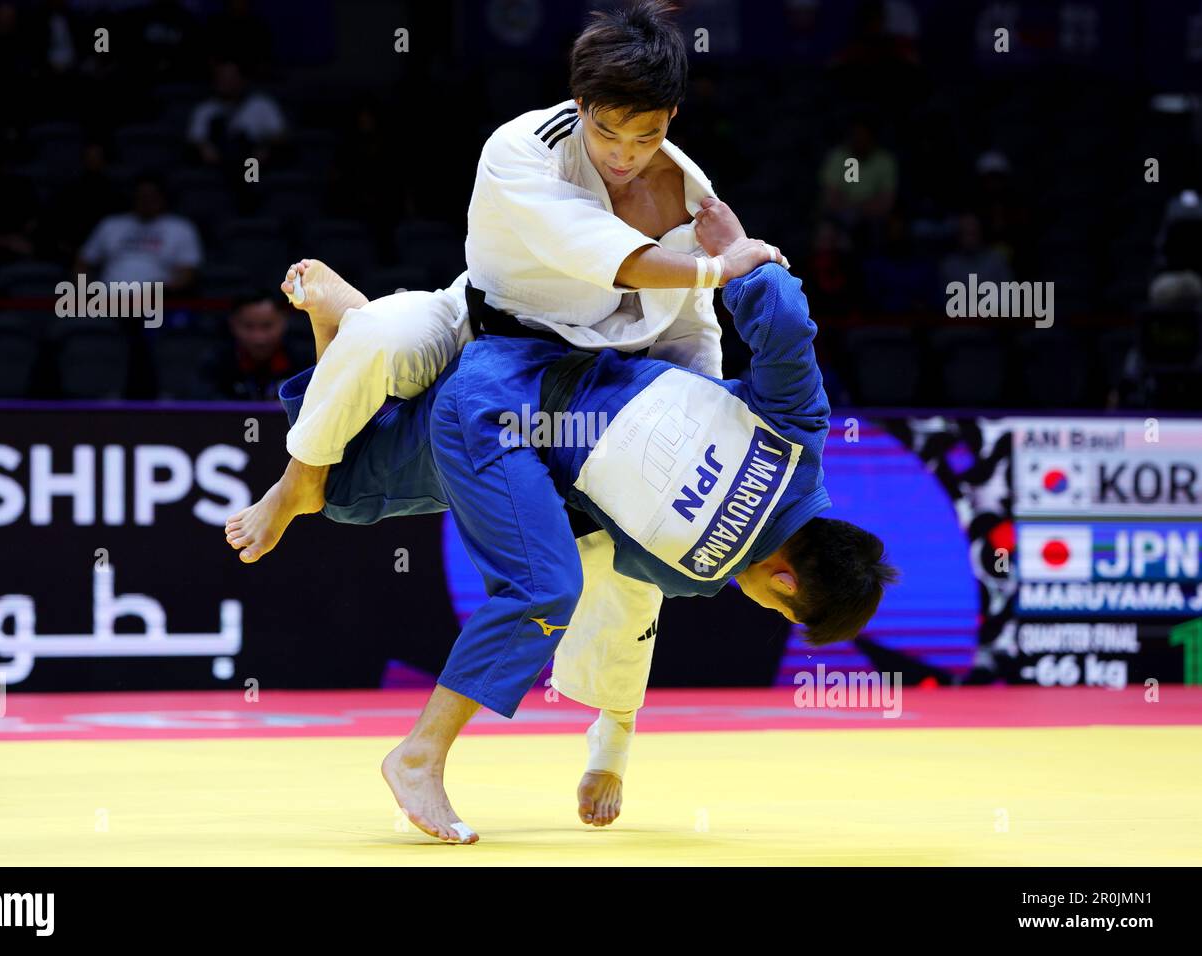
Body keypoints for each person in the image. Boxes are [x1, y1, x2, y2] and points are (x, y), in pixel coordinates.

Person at [228, 0, 787, 830]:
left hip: (584, 376)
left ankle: (615, 734)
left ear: (673, 115)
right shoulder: (519, 150)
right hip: (480, 323)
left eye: (647, 135)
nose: (627, 157)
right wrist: (718, 268)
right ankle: (295, 481)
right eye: (609, 135)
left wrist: (697, 413)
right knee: (381, 338)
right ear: (579, 103)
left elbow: (689, 332)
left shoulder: (685, 189)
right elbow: (601, 254)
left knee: (627, 570)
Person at [227, 232, 896, 843]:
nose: (765, 607)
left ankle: (350, 334)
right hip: (496, 422)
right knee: (540, 585)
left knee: (356, 481)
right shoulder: (697, 571)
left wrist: (731, 256)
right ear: (785, 581)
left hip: (532, 348)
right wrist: (613, 742)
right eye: (779, 610)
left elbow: (782, 312)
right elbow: (606, 573)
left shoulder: (801, 435)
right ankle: (418, 755)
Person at [76, 174, 202, 293]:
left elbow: (187, 275)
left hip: (159, 303)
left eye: (151, 196)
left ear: (163, 197)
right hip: (109, 301)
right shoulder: (110, 224)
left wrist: (158, 291)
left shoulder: (181, 228)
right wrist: (88, 291)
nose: (146, 201)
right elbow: (82, 263)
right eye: (141, 196)